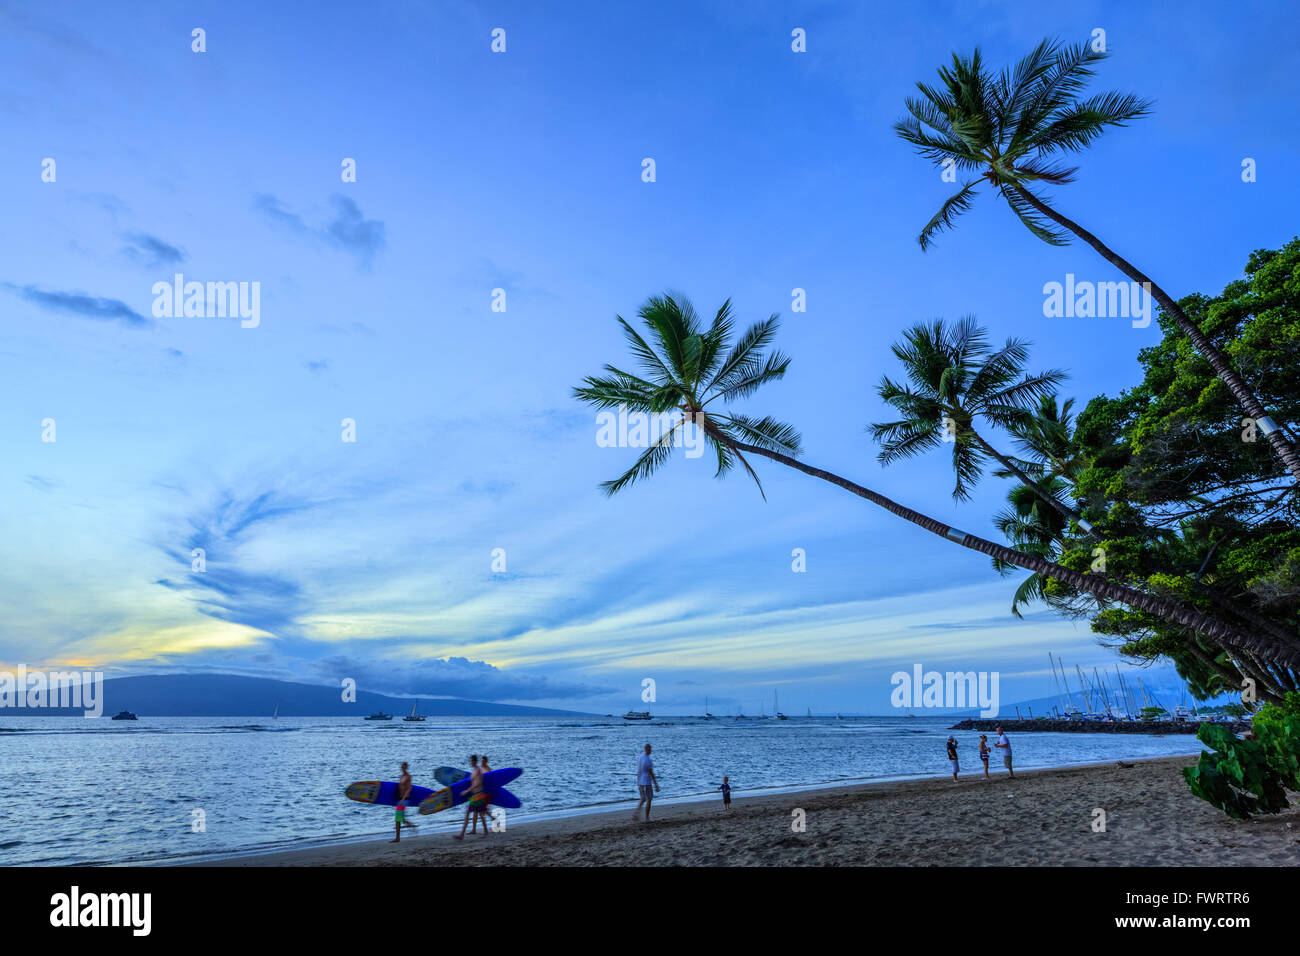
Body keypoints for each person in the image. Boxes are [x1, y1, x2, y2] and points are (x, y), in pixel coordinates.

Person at [454, 755, 489, 840]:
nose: (470, 762)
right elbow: (472, 782)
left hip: (479, 796)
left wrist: (467, 790)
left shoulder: (478, 770)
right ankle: (463, 834)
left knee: (478, 815)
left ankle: (463, 834)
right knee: (472, 814)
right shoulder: (473, 771)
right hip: (474, 796)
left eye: (471, 761)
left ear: (474, 762)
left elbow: (478, 783)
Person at [391, 761, 417, 842]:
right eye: (402, 767)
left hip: (404, 800)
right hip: (399, 799)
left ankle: (398, 838)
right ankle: (411, 827)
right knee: (400, 819)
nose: (403, 768)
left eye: (405, 767)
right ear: (401, 767)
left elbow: (409, 788)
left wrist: (402, 800)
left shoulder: (408, 776)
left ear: (407, 768)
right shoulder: (401, 776)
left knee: (398, 819)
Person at [633, 743, 659, 821]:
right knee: (649, 799)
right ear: (648, 749)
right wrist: (656, 784)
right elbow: (651, 772)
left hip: (640, 781)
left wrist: (638, 779)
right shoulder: (648, 760)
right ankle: (647, 818)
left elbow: (639, 769)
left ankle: (636, 813)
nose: (651, 750)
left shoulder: (640, 757)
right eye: (650, 749)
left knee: (643, 798)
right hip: (646, 782)